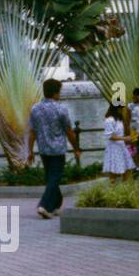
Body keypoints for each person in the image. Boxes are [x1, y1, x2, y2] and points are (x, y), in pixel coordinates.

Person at [27, 78, 81, 219]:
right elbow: (69, 131)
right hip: (58, 150)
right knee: (54, 178)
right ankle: (44, 206)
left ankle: (57, 204)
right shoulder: (61, 109)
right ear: (56, 93)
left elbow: (32, 132)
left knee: (51, 177)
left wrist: (30, 150)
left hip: (44, 149)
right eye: (60, 92)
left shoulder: (35, 109)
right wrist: (76, 148)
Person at [101, 103, 134, 182]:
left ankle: (125, 187)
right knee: (114, 170)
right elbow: (110, 136)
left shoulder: (119, 119)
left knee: (126, 168)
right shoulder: (109, 120)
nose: (122, 111)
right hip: (114, 148)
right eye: (121, 109)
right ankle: (113, 189)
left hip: (121, 146)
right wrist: (125, 138)